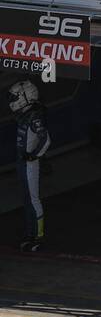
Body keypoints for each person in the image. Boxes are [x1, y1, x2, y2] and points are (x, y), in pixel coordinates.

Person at [10, 81, 52, 252]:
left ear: (25, 96)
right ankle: (30, 234)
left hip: (29, 164)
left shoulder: (34, 117)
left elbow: (46, 140)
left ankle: (38, 236)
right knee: (27, 200)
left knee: (33, 199)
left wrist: (34, 155)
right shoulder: (24, 115)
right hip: (22, 162)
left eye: (14, 97)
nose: (11, 100)